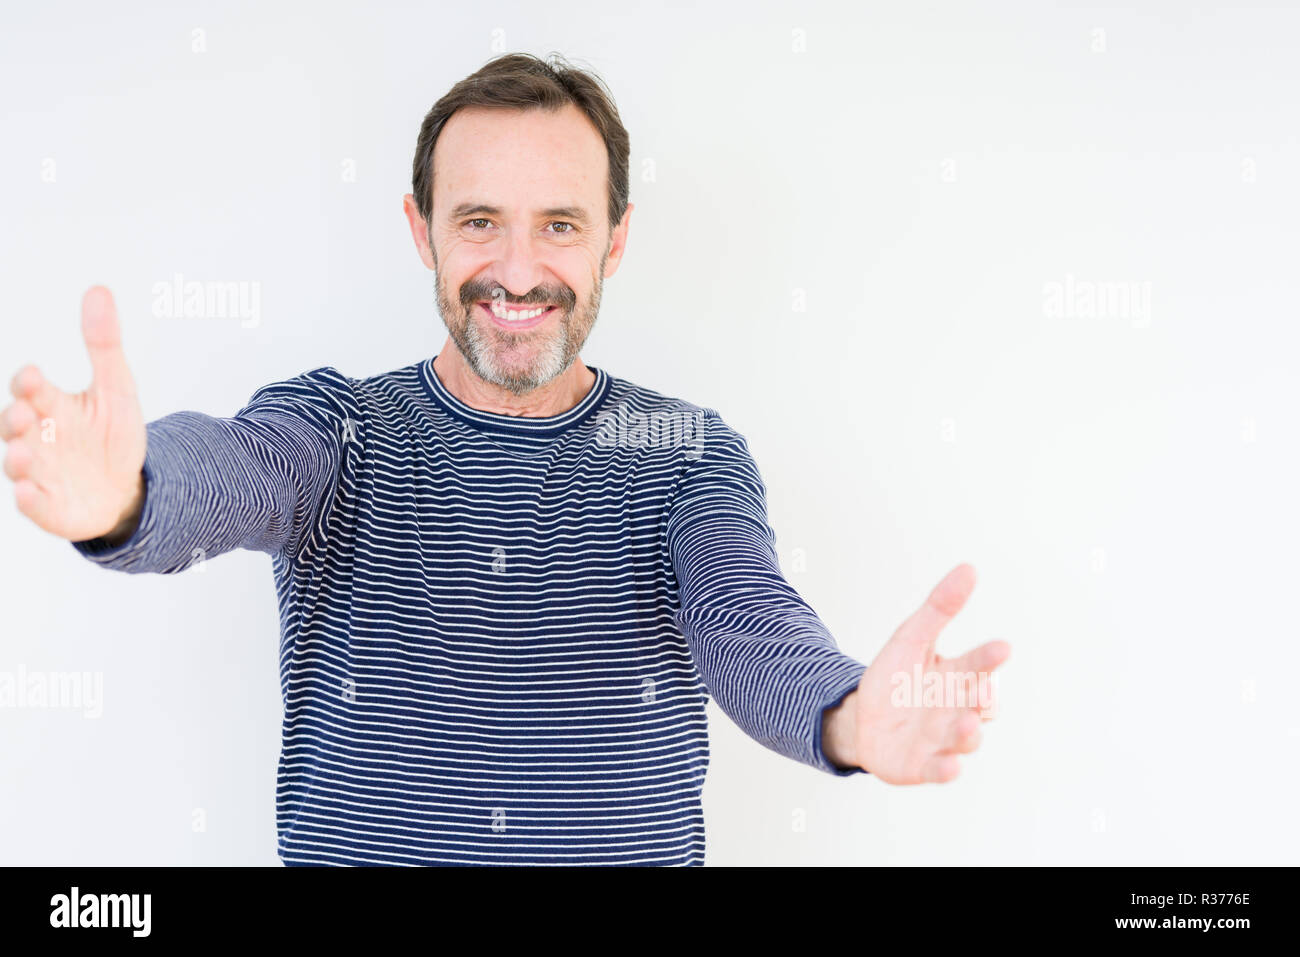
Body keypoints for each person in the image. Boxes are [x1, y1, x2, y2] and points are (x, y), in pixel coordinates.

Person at [0, 52, 1010, 866]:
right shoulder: (339, 428)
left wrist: (843, 718)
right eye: (479, 221)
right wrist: (127, 496)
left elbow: (742, 618)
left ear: (613, 241)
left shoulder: (680, 452)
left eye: (559, 226)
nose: (518, 272)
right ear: (421, 231)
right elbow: (233, 472)